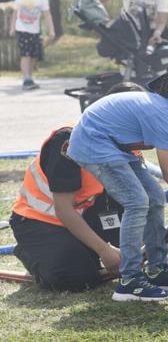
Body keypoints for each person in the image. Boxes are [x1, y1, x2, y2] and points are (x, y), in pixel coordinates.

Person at [66, 50, 168, 301]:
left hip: (115, 146)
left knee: (155, 197)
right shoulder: (161, 112)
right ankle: (129, 281)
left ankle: (157, 269)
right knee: (137, 200)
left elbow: (167, 171)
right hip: (93, 142)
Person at [9, 82, 143, 292]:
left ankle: (81, 250)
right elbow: (64, 209)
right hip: (41, 221)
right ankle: (31, 252)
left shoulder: (128, 140)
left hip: (86, 212)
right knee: (78, 278)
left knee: (136, 242)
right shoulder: (69, 141)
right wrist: (104, 250)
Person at [8, 0, 55, 90]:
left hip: (35, 30)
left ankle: (30, 76)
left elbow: (47, 15)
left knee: (34, 55)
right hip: (22, 29)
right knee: (25, 54)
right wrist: (12, 27)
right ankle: (26, 78)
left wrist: (51, 30)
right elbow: (15, 13)